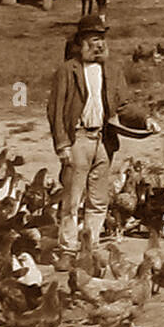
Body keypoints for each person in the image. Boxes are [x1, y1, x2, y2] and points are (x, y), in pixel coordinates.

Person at [47, 14, 130, 266]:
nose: (99, 44)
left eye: (102, 38)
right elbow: (55, 110)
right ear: (81, 41)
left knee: (98, 200)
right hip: (78, 140)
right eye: (94, 38)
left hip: (104, 141)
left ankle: (89, 247)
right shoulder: (67, 70)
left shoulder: (113, 70)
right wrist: (62, 145)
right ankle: (67, 250)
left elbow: (125, 104)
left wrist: (145, 120)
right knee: (72, 200)